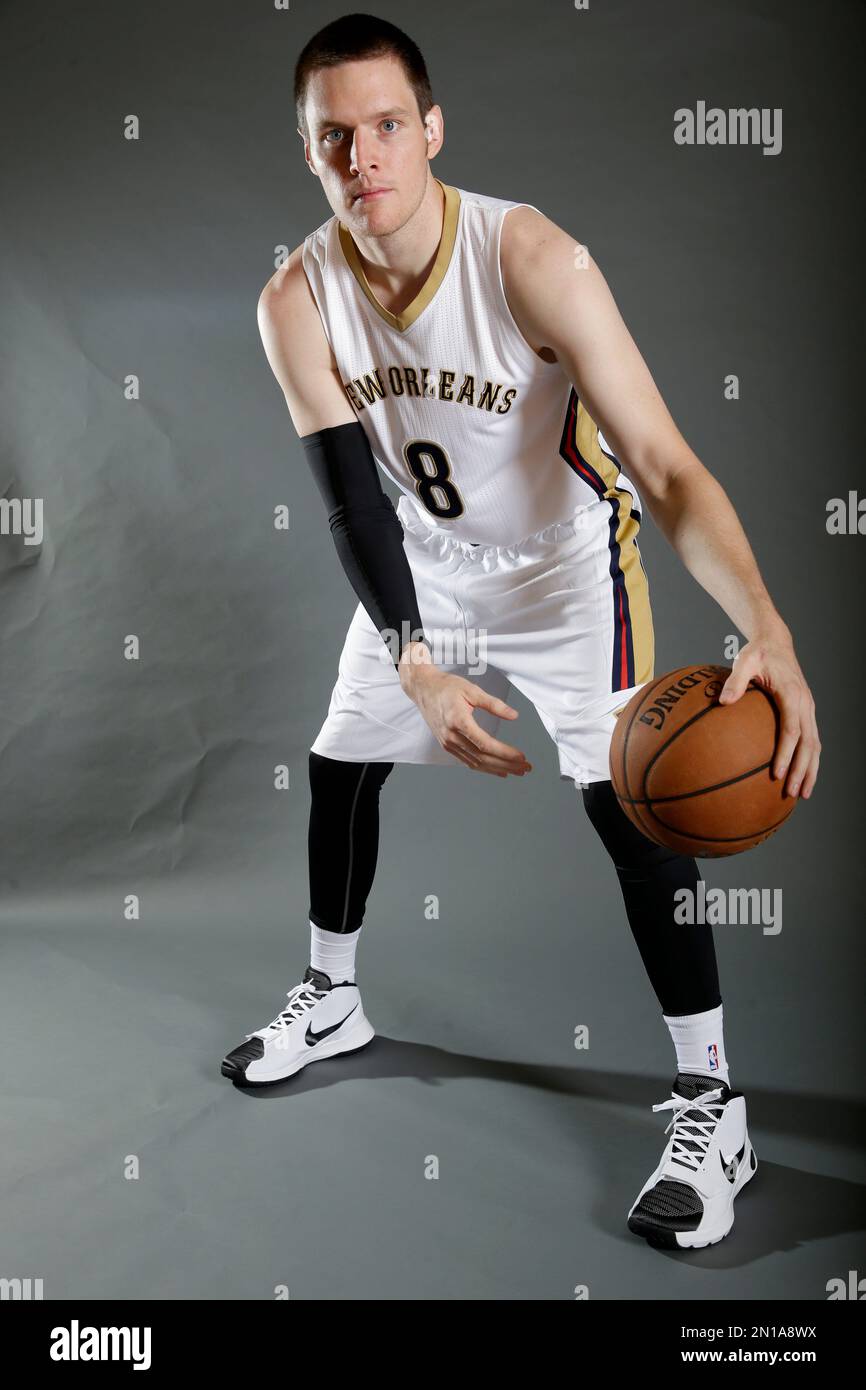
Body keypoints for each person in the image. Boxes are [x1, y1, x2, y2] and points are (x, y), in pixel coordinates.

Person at [222, 13, 821, 1250]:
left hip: (564, 574)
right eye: (332, 136)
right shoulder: (296, 298)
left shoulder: (528, 258)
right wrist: (416, 657)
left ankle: (712, 1099)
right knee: (341, 763)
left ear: (431, 128)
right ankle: (332, 997)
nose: (363, 155)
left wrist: (763, 622)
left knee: (630, 803)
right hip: (424, 573)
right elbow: (351, 502)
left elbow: (660, 464)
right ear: (307, 154)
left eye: (387, 125)